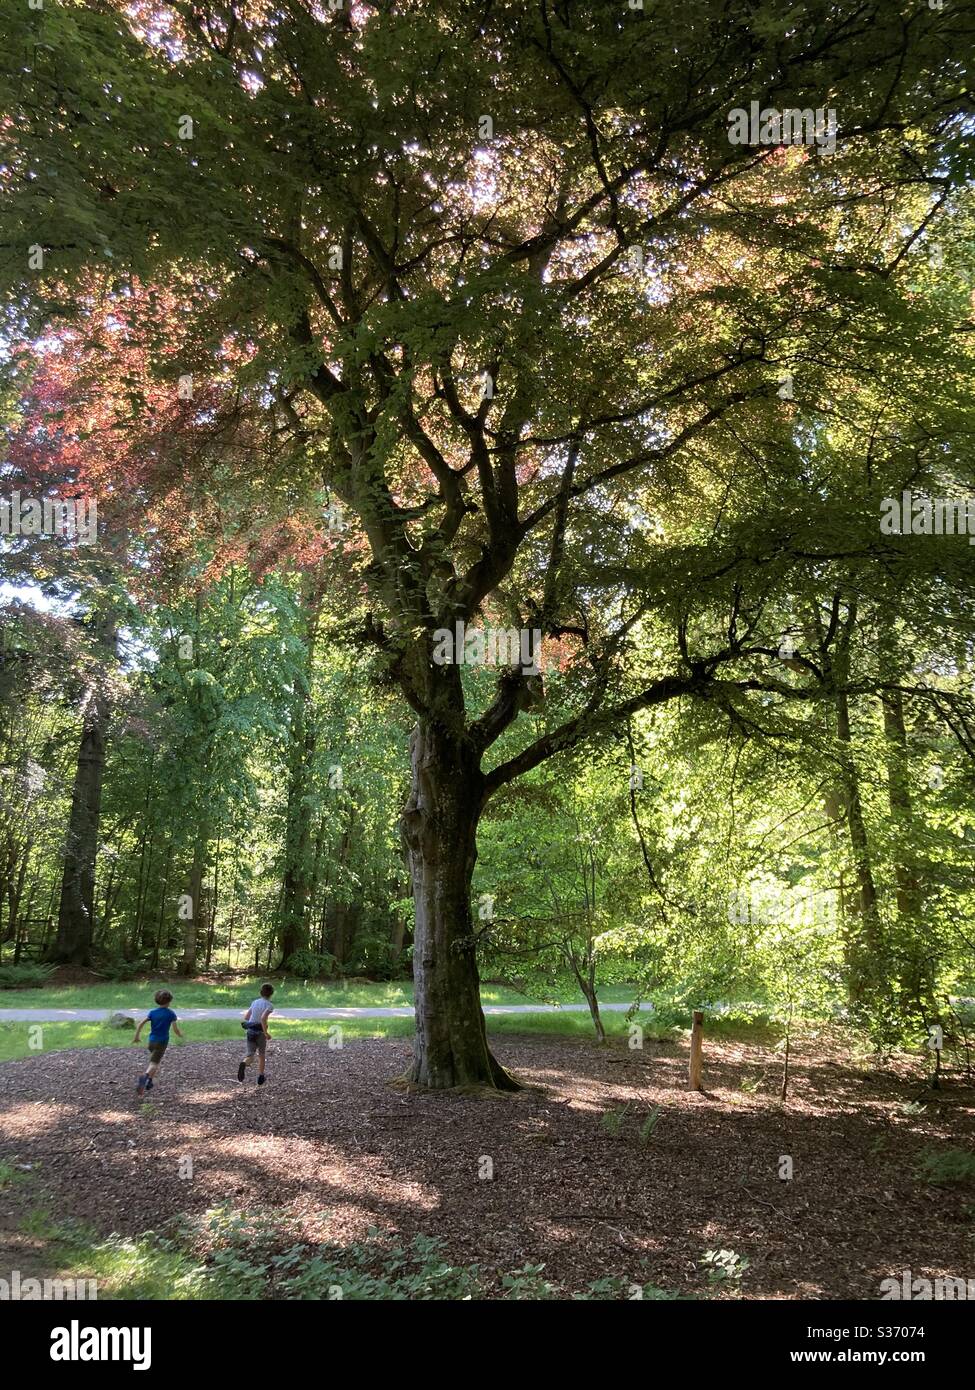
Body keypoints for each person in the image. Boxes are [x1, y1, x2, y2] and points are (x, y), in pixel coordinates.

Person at [133, 989, 182, 1096]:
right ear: (169, 1001)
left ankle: (149, 1081)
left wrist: (137, 1036)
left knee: (155, 1062)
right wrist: (180, 1035)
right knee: (154, 1064)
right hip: (162, 1042)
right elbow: (175, 1029)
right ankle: (145, 1077)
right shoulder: (171, 1014)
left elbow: (141, 1023)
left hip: (151, 1041)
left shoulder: (152, 1013)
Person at [237, 982, 274, 1085]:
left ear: (261, 992)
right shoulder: (270, 1005)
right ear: (271, 994)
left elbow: (247, 1017)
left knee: (250, 1055)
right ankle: (260, 1077)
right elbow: (263, 1018)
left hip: (250, 1030)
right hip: (260, 1032)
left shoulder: (254, 1002)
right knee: (261, 1055)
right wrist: (266, 1032)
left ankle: (244, 1063)